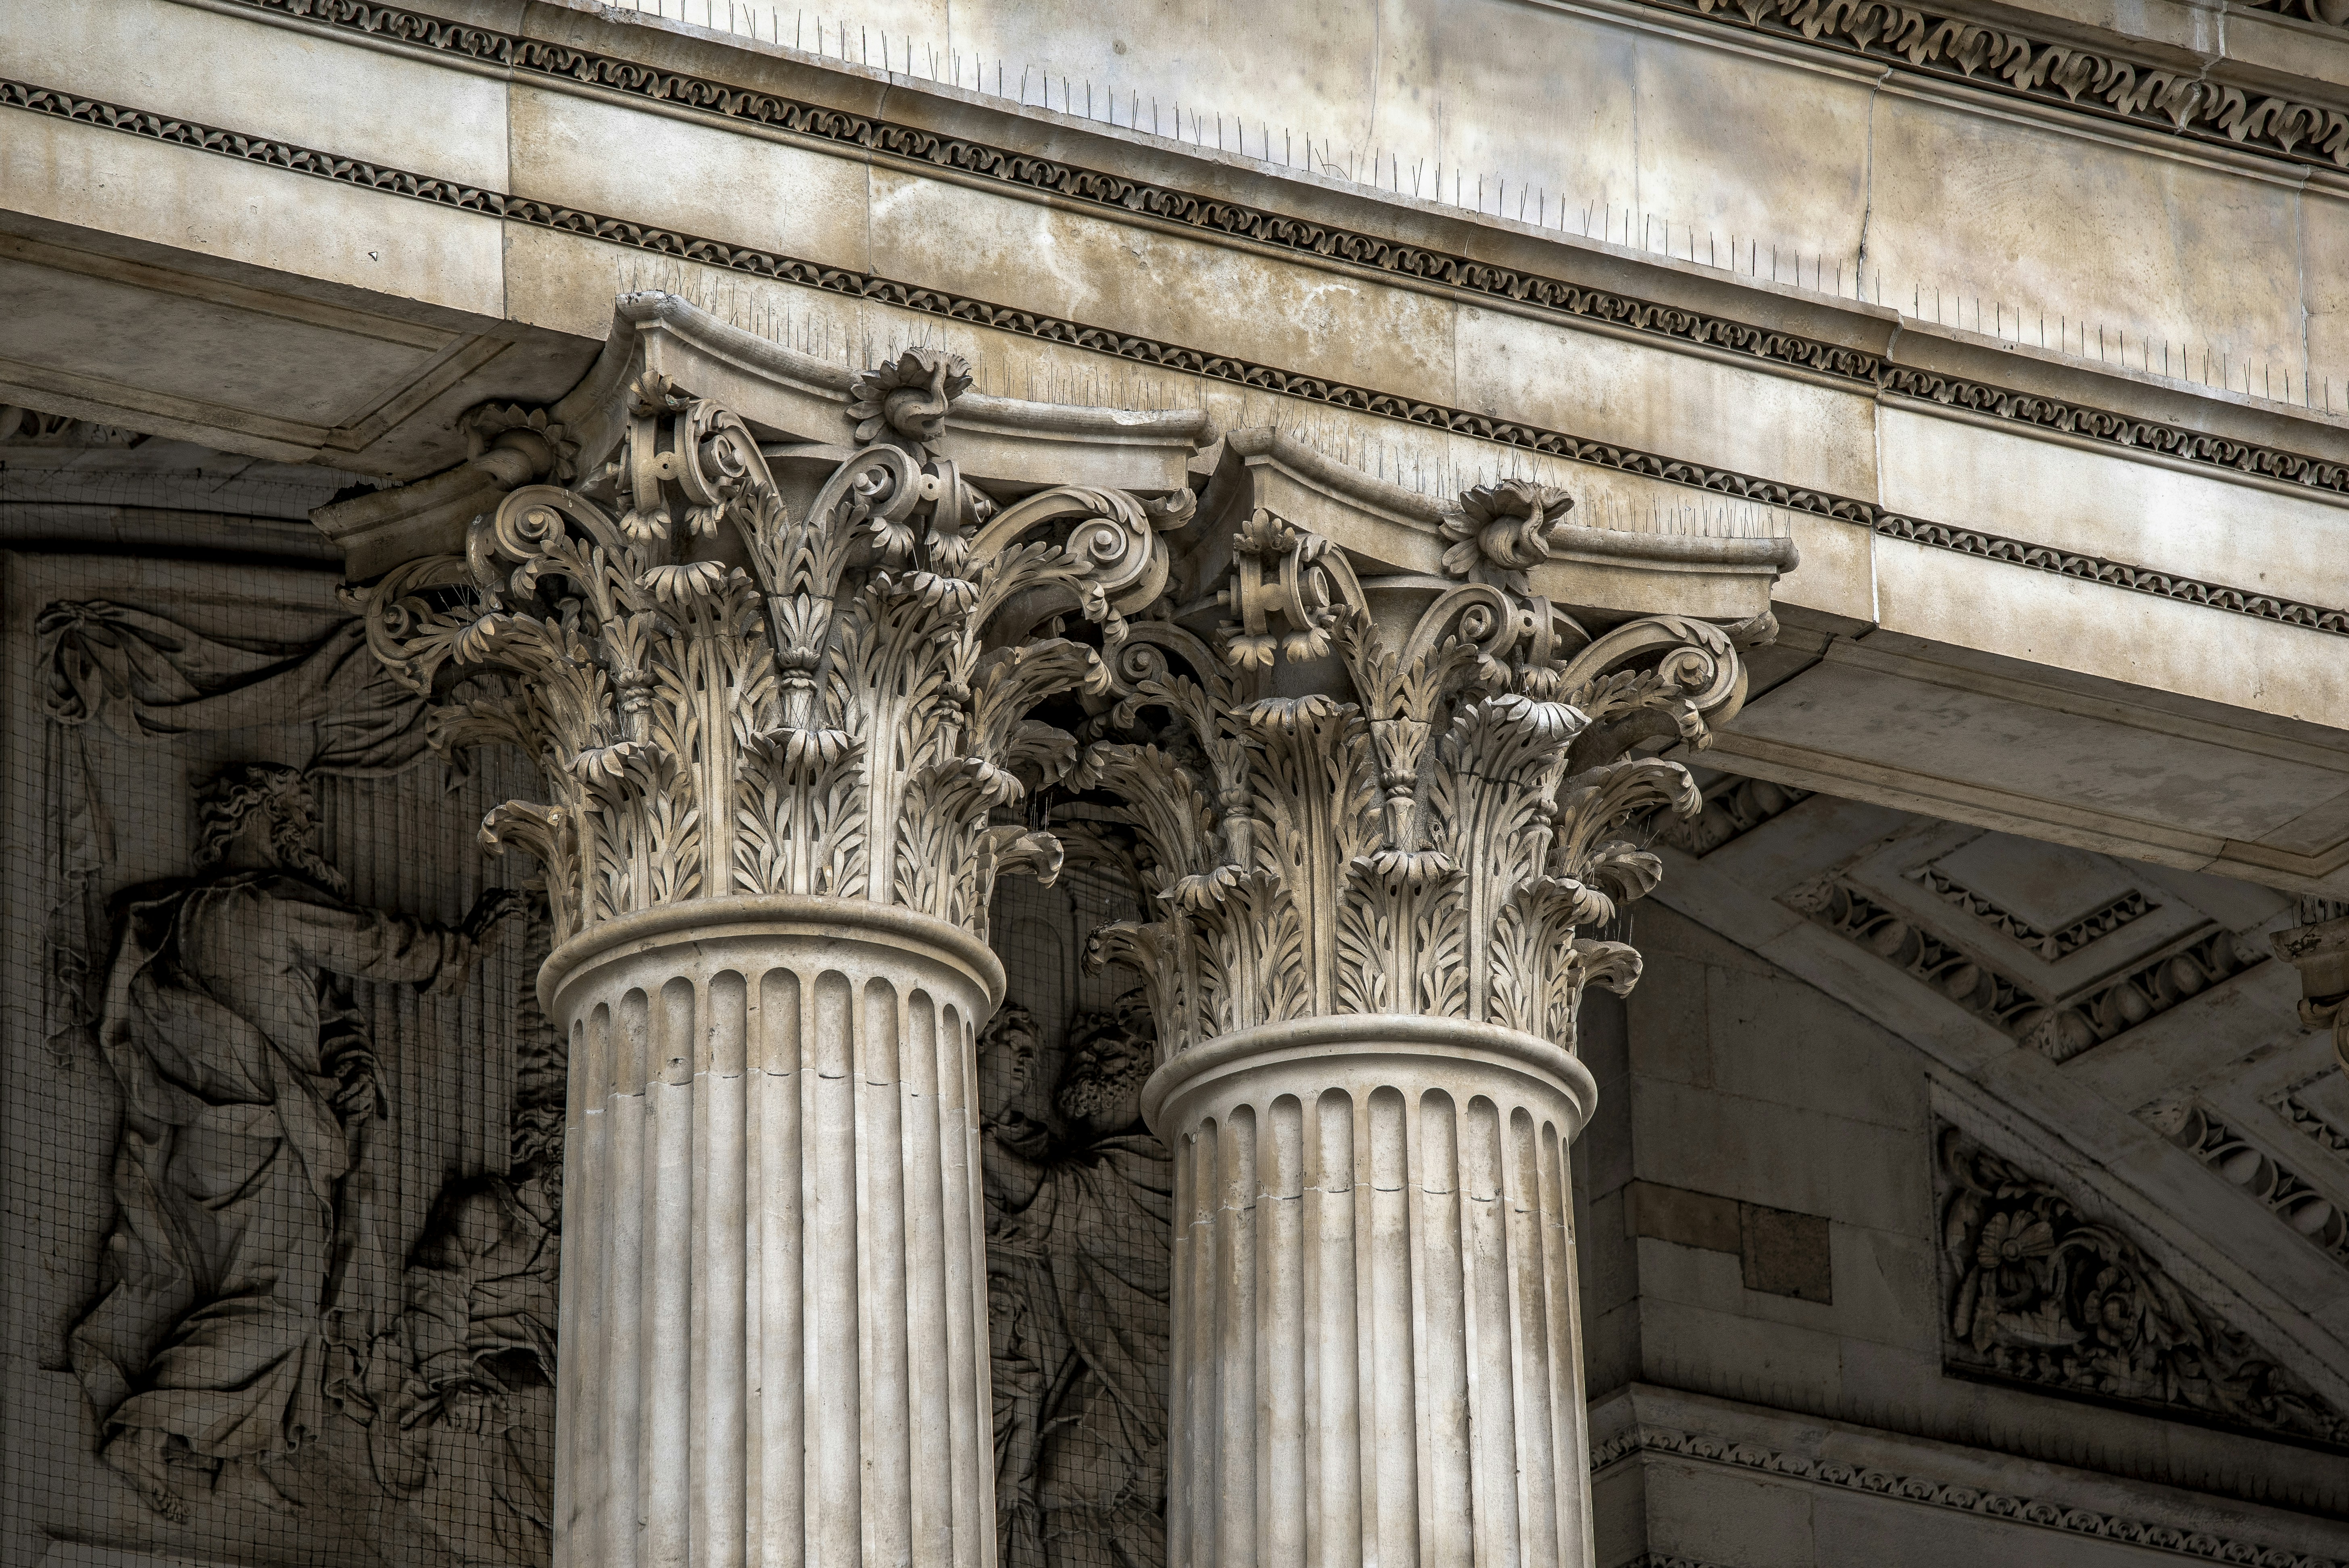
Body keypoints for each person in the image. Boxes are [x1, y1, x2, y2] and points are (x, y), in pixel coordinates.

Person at [69, 763, 521, 1521]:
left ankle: (235, 1455)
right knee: (282, 1313)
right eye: (286, 824)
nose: (297, 840)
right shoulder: (263, 904)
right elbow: (371, 945)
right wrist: (460, 951)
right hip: (266, 1142)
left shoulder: (181, 920)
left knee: (260, 1302)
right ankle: (147, 1426)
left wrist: (339, 1062)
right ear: (257, 824)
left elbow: (290, 1014)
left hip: (208, 1146)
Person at [982, 994, 1171, 1568]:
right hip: (1119, 1362)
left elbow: (1056, 1202)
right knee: (1111, 1503)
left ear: (1131, 1076)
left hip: (1140, 1368)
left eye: (1098, 1057)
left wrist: (978, 1137)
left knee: (1068, 1490)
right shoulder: (1098, 1161)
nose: (1074, 1067)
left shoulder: (1144, 1167)